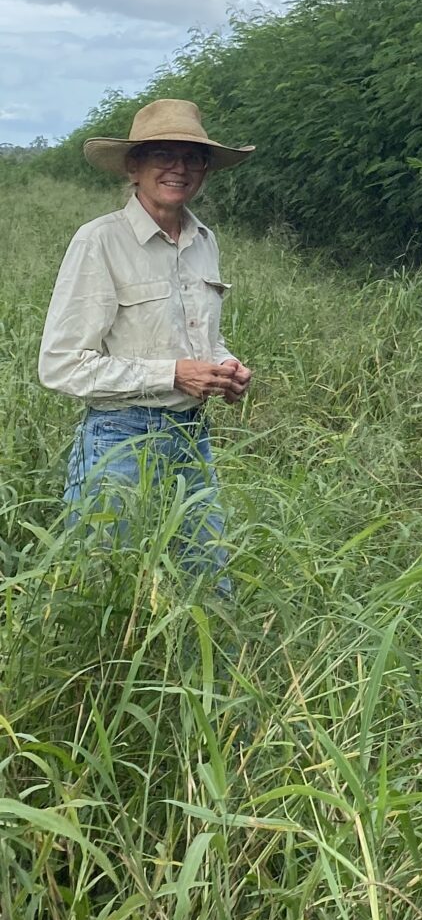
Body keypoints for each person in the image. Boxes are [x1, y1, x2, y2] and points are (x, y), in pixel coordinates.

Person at [38, 98, 255, 590]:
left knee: (207, 581)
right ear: (134, 167)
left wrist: (224, 366)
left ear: (205, 170)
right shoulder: (98, 242)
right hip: (120, 438)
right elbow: (60, 366)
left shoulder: (204, 240)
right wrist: (173, 373)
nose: (179, 168)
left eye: (193, 157)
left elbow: (204, 335)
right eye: (163, 154)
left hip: (192, 437)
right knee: (105, 589)